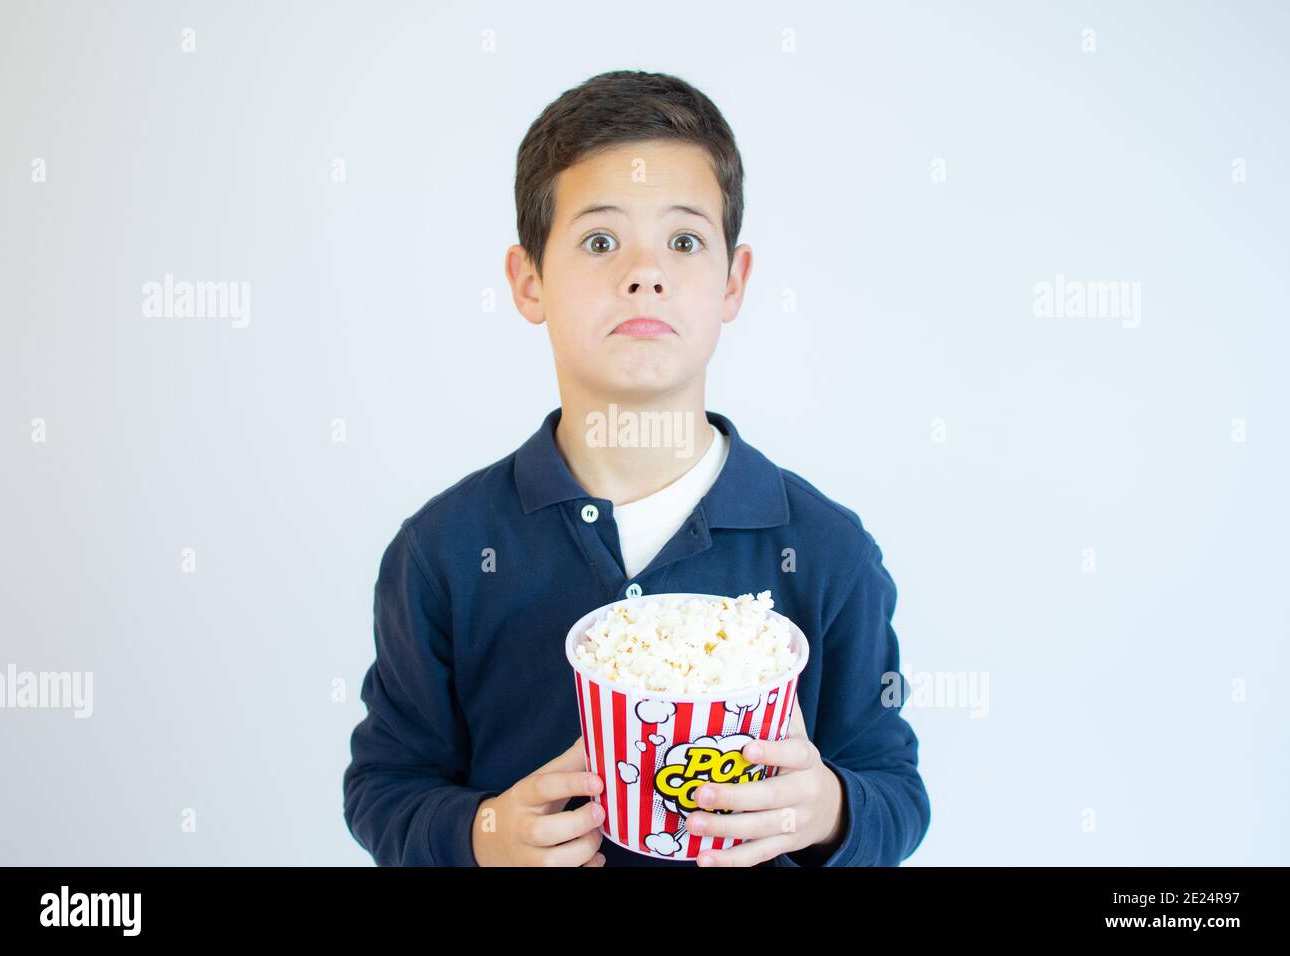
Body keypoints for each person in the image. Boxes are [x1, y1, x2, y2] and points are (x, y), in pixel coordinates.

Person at [342, 69, 930, 867]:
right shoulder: (443, 551)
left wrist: (828, 808)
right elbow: (384, 787)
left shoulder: (828, 552)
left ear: (733, 282)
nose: (645, 273)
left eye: (684, 242)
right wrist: (487, 835)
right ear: (528, 281)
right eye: (600, 241)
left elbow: (896, 792)